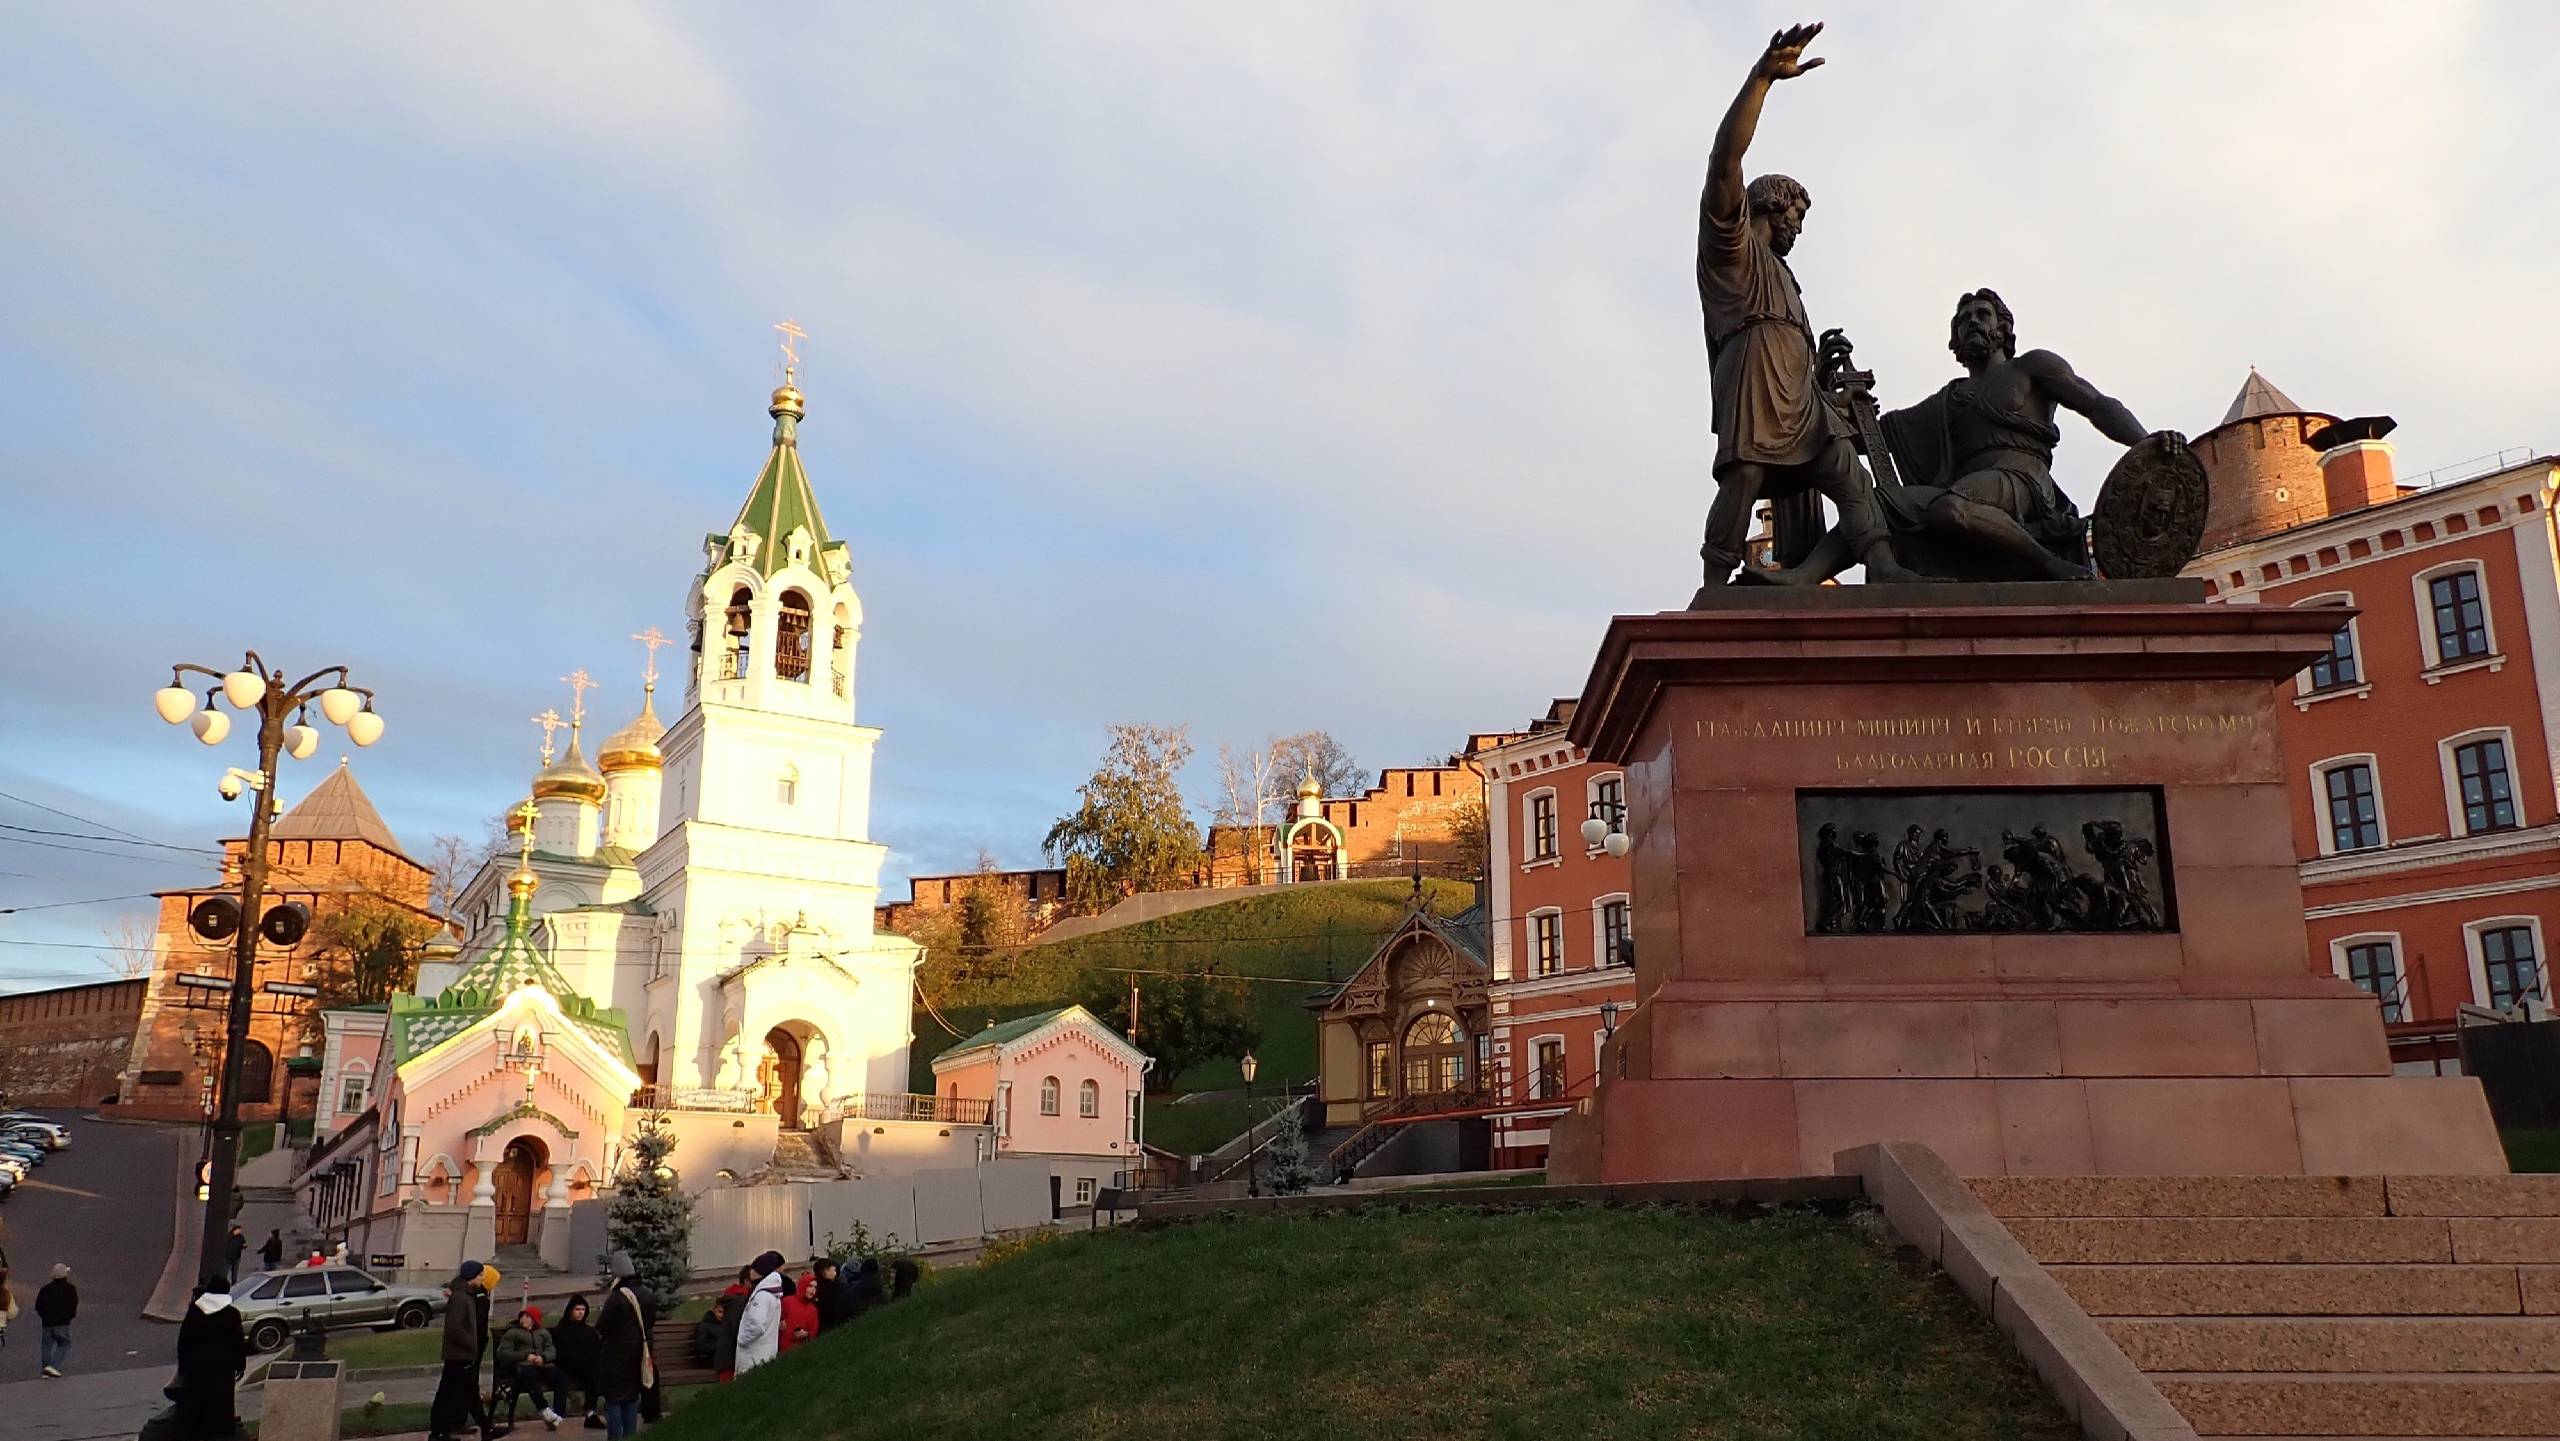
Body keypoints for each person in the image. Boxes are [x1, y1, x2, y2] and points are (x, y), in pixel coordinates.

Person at [1690, 21, 1914, 593]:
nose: (1798, 228)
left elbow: (1796, 351)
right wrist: (1762, 79)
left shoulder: (1786, 276)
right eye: (1795, 217)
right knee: (1745, 474)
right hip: (1754, 377)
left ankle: (1883, 563)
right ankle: (1716, 580)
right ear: (1773, 206)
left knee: (1847, 471)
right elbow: (1724, 161)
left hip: (1800, 395)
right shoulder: (1731, 247)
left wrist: (1824, 382)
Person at [173, 1274, 248, 1440]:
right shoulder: (231, 1314)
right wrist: (240, 1364)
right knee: (221, 1406)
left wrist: (183, 1366)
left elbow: (184, 1341)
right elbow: (237, 1342)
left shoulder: (195, 1312)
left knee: (198, 1405)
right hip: (223, 1370)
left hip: (197, 1369)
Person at [428, 1260, 493, 1441]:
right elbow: (454, 1327)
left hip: (461, 1354)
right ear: (472, 1276)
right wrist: (472, 1343)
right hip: (459, 1354)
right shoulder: (461, 1297)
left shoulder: (465, 1294)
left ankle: (483, 1428)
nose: (482, 1278)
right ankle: (440, 1432)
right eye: (480, 1275)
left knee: (458, 1391)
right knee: (452, 1392)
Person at [593, 1252, 654, 1441]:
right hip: (639, 1353)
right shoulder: (647, 1295)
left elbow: (602, 1326)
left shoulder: (617, 1298)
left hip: (616, 1355)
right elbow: (650, 1323)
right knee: (631, 1398)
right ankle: (630, 1436)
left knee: (614, 1399)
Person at [493, 1307, 565, 1430]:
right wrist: (525, 1355)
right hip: (524, 1366)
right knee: (530, 1378)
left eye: (527, 1317)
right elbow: (502, 1353)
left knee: (561, 1379)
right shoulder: (513, 1332)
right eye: (522, 1316)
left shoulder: (542, 1332)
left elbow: (551, 1349)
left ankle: (557, 1414)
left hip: (543, 1364)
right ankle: (544, 1409)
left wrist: (543, 1357)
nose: (523, 1319)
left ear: (534, 1319)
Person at [550, 1295, 603, 1429]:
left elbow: (596, 1351)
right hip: (565, 1367)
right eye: (577, 1309)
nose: (580, 1312)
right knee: (561, 1380)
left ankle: (591, 1414)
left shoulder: (589, 1331)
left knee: (594, 1373)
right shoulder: (560, 1330)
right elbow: (558, 1353)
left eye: (583, 1309)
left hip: (585, 1368)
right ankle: (556, 1417)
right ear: (570, 1311)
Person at [731, 1251, 787, 1375]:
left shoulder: (761, 1296)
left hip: (753, 1356)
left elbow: (756, 1325)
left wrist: (742, 1340)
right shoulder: (773, 1295)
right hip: (766, 1353)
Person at [34, 1262, 76, 1378]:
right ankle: (53, 1366)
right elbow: (73, 1305)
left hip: (47, 1323)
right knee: (64, 1343)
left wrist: (44, 1316)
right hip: (62, 1323)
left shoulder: (45, 1289)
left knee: (46, 1345)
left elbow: (38, 1306)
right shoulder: (70, 1289)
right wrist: (69, 1316)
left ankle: (45, 1368)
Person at [778, 1273, 820, 1353]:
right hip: (782, 1350)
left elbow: (814, 1331)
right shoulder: (787, 1302)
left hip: (801, 1352)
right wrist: (779, 1324)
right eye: (810, 1286)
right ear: (803, 1285)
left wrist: (806, 1334)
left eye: (815, 1287)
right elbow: (774, 1320)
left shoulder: (813, 1309)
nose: (813, 1290)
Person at [809, 1259, 846, 1333]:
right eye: (831, 1269)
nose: (834, 1271)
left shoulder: (834, 1284)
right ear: (825, 1272)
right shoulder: (830, 1287)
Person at [690, 1299, 727, 1367]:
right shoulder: (704, 1326)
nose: (722, 1315)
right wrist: (719, 1345)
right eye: (720, 1312)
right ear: (713, 1311)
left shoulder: (727, 1325)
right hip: (711, 1359)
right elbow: (700, 1347)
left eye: (725, 1313)